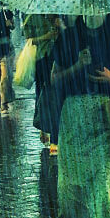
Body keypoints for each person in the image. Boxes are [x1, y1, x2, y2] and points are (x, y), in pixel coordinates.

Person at [51, 12, 110, 218]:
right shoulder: (70, 36)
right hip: (74, 124)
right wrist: (77, 66)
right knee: (73, 187)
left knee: (105, 184)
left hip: (107, 121)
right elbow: (54, 79)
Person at [23, 14, 64, 153]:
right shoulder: (33, 17)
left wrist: (61, 28)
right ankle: (43, 125)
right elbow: (29, 40)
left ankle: (54, 133)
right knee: (41, 94)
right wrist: (47, 36)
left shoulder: (61, 15)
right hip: (42, 59)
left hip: (57, 60)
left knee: (54, 96)